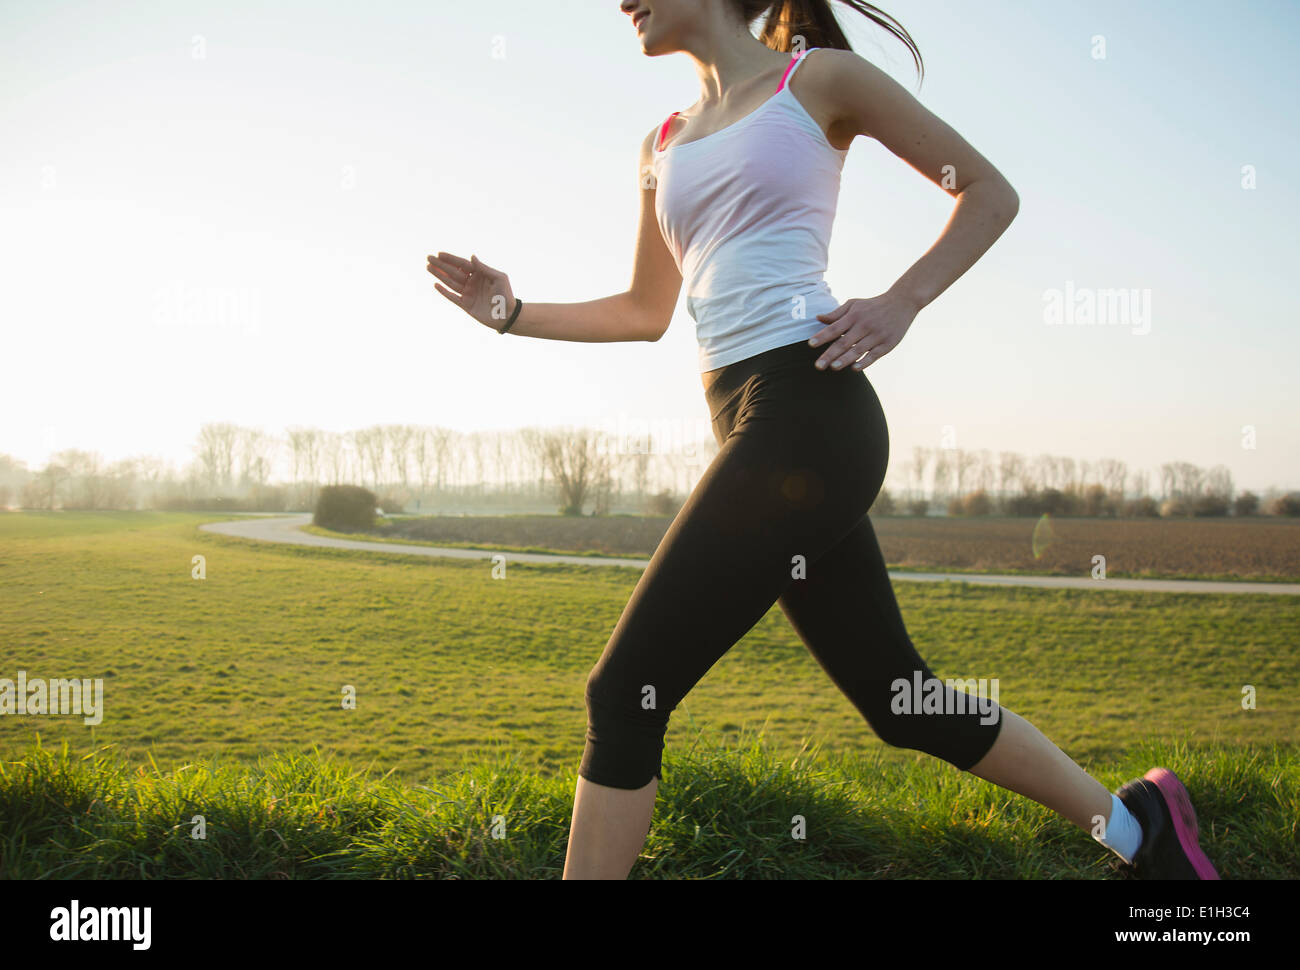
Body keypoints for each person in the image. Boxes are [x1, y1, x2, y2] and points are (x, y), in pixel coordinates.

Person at [426, 0, 1219, 882]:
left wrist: (901, 302)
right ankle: (1142, 832)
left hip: (810, 412)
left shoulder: (818, 81)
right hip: (749, 424)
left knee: (622, 694)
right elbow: (647, 310)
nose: (620, 0)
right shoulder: (659, 143)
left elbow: (989, 192)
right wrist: (511, 313)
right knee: (900, 698)